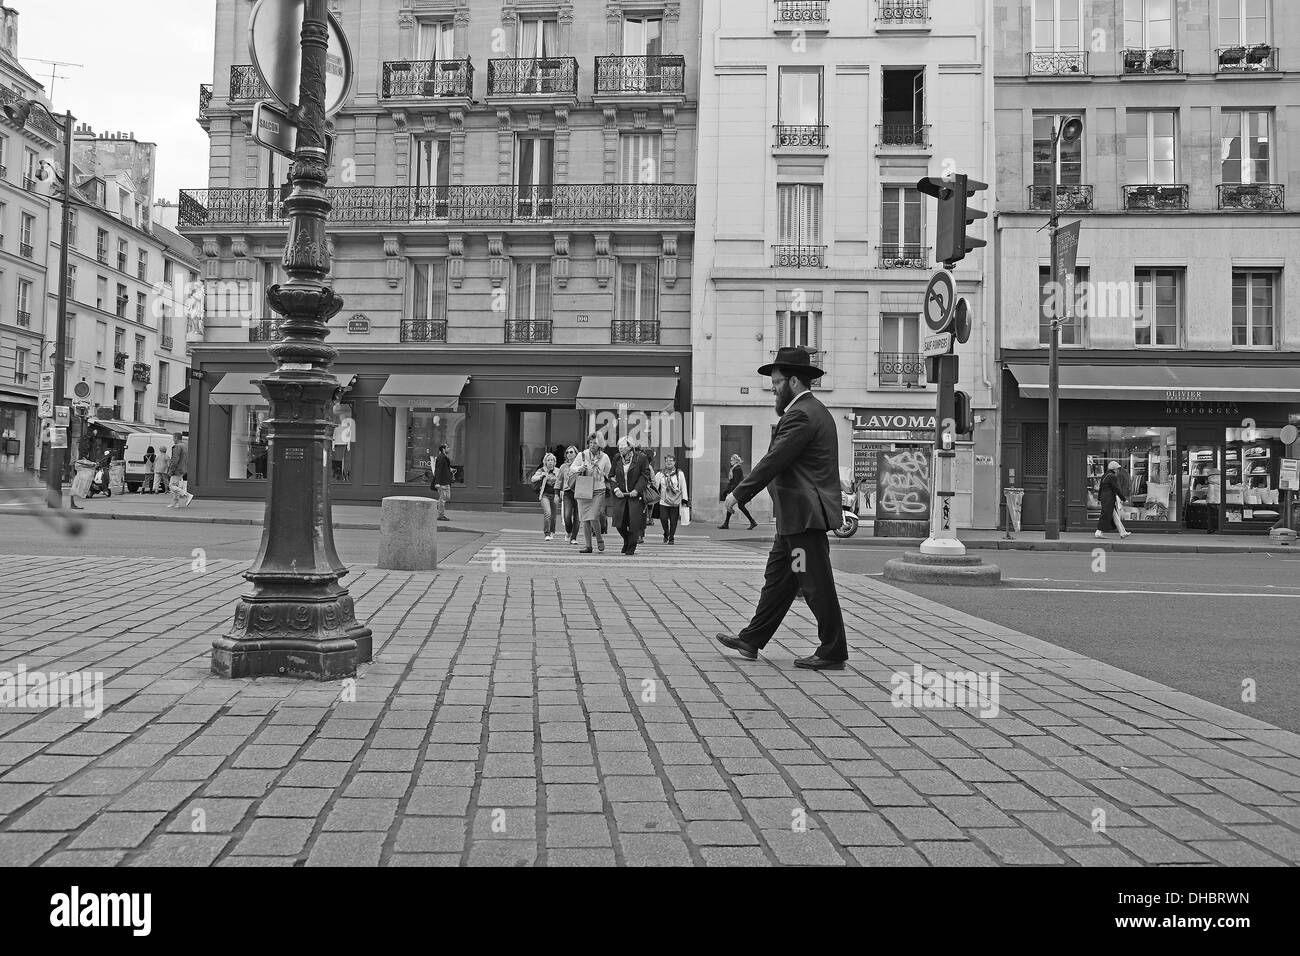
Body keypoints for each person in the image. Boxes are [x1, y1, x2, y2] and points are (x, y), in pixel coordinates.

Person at [715, 347, 848, 670]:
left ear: (793, 381)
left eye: (776, 382)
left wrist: (738, 494)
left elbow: (774, 461)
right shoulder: (811, 411)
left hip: (803, 519)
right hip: (794, 520)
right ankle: (751, 639)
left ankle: (833, 649)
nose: (772, 388)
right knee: (778, 581)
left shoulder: (801, 414)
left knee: (814, 583)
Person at [570, 433, 612, 553]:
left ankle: (599, 538)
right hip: (584, 489)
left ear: (600, 444)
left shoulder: (604, 457)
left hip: (598, 490)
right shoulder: (582, 455)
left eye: (595, 443)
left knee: (593, 516)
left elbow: (610, 473)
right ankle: (588, 546)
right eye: (591, 442)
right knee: (585, 518)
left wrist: (602, 472)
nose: (592, 445)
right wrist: (580, 468)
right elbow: (572, 467)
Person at [653, 454, 689, 544]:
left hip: (675, 501)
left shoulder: (679, 474)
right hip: (663, 501)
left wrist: (684, 500)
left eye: (671, 460)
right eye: (667, 460)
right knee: (663, 518)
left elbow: (683, 487)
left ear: (674, 462)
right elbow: (655, 486)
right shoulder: (660, 474)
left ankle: (671, 537)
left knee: (673, 520)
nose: (669, 462)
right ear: (665, 462)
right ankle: (666, 532)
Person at [718, 453, 758, 530]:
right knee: (738, 505)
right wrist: (727, 490)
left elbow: (736, 482)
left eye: (731, 460)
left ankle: (752, 522)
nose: (730, 461)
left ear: (735, 461)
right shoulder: (733, 469)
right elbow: (731, 482)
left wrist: (732, 492)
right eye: (730, 460)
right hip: (736, 490)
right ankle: (752, 522)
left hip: (738, 491)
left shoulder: (737, 469)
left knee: (735, 505)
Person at [1095, 460, 1131, 539]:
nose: (1118, 470)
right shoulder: (1112, 476)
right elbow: (1116, 489)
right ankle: (1098, 532)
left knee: (1115, 516)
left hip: (1104, 498)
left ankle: (1123, 532)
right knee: (1106, 515)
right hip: (1109, 498)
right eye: (1117, 468)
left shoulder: (1105, 475)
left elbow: (1101, 488)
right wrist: (1123, 499)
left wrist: (1099, 499)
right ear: (1114, 469)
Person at [531, 452, 562, 541]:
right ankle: (547, 533)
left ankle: (552, 532)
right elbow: (532, 479)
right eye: (548, 460)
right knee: (548, 513)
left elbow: (562, 480)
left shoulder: (558, 470)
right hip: (545, 495)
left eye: (552, 460)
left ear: (554, 462)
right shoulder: (542, 470)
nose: (550, 462)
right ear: (545, 462)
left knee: (553, 516)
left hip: (555, 495)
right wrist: (541, 476)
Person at [558, 445, 580, 544]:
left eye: (571, 452)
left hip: (579, 492)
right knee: (567, 516)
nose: (569, 454)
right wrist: (556, 493)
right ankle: (568, 531)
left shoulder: (581, 465)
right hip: (567, 492)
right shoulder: (563, 466)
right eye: (567, 452)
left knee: (577, 516)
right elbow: (559, 480)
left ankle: (574, 538)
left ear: (576, 453)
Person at [167, 433, 192, 509]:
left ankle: (187, 495)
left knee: (171, 486)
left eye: (173, 438)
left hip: (177, 469)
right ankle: (176, 503)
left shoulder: (177, 446)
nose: (173, 439)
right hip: (183, 468)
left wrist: (171, 469)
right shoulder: (185, 446)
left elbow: (175, 459)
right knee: (176, 485)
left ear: (176, 438)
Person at [432, 443, 453, 521]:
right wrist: (437, 482)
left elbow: (442, 468)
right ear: (443, 449)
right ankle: (441, 515)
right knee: (443, 499)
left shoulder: (443, 457)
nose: (449, 449)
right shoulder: (441, 458)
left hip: (445, 481)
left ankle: (439, 509)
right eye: (447, 447)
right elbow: (438, 470)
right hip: (442, 482)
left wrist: (449, 470)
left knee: (446, 497)